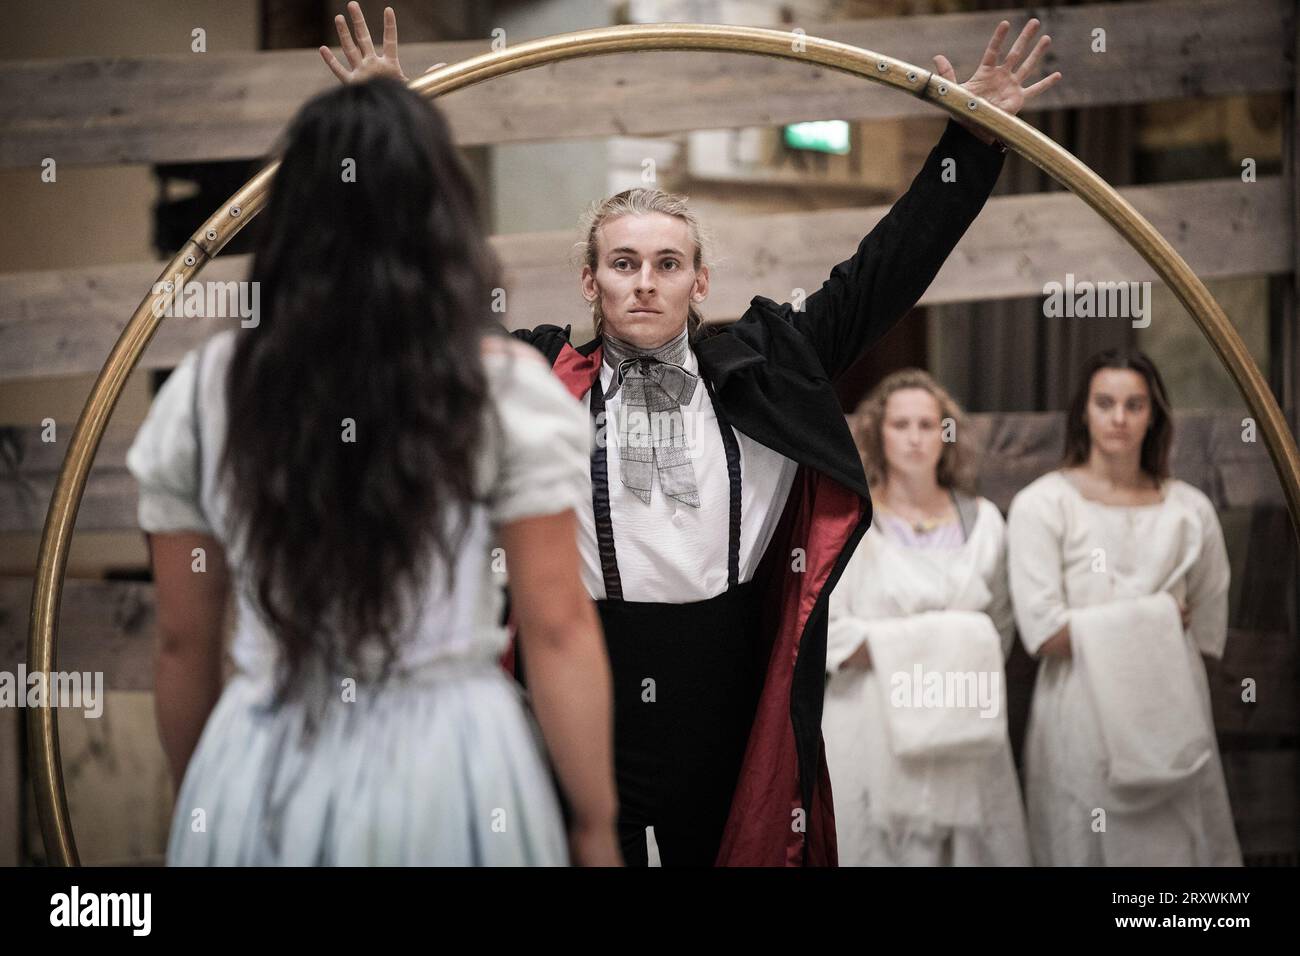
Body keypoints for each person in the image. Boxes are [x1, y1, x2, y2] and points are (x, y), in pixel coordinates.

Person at [322, 3, 1061, 866]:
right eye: (623, 264)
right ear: (591, 282)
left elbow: (884, 272)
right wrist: (385, 141)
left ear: (699, 281)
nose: (645, 283)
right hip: (581, 672)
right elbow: (423, 303)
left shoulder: (767, 365)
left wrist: (971, 142)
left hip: (728, 684)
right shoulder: (536, 378)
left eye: (667, 264)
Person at [126, 79, 620, 866]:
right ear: (444, 221)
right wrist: (595, 826)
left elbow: (183, 643)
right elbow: (558, 627)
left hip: (264, 760)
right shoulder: (503, 390)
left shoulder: (204, 392)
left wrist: (210, 800)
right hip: (451, 766)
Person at [1007, 349, 1242, 866]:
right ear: (1083, 412)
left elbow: (1206, 629)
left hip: (1172, 709)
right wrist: (1158, 619)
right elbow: (1043, 631)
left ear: (1153, 415)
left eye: (1135, 405)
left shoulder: (1190, 510)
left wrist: (1150, 648)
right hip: (1080, 710)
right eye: (1105, 403)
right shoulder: (1043, 505)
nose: (1119, 418)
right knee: (1085, 840)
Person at [822, 370, 1030, 866]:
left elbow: (997, 630)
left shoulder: (985, 523)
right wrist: (949, 637)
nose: (915, 437)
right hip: (869, 724)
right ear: (878, 433)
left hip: (964, 723)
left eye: (927, 425)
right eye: (900, 425)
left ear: (946, 434)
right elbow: (830, 635)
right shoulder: (849, 520)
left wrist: (910, 644)